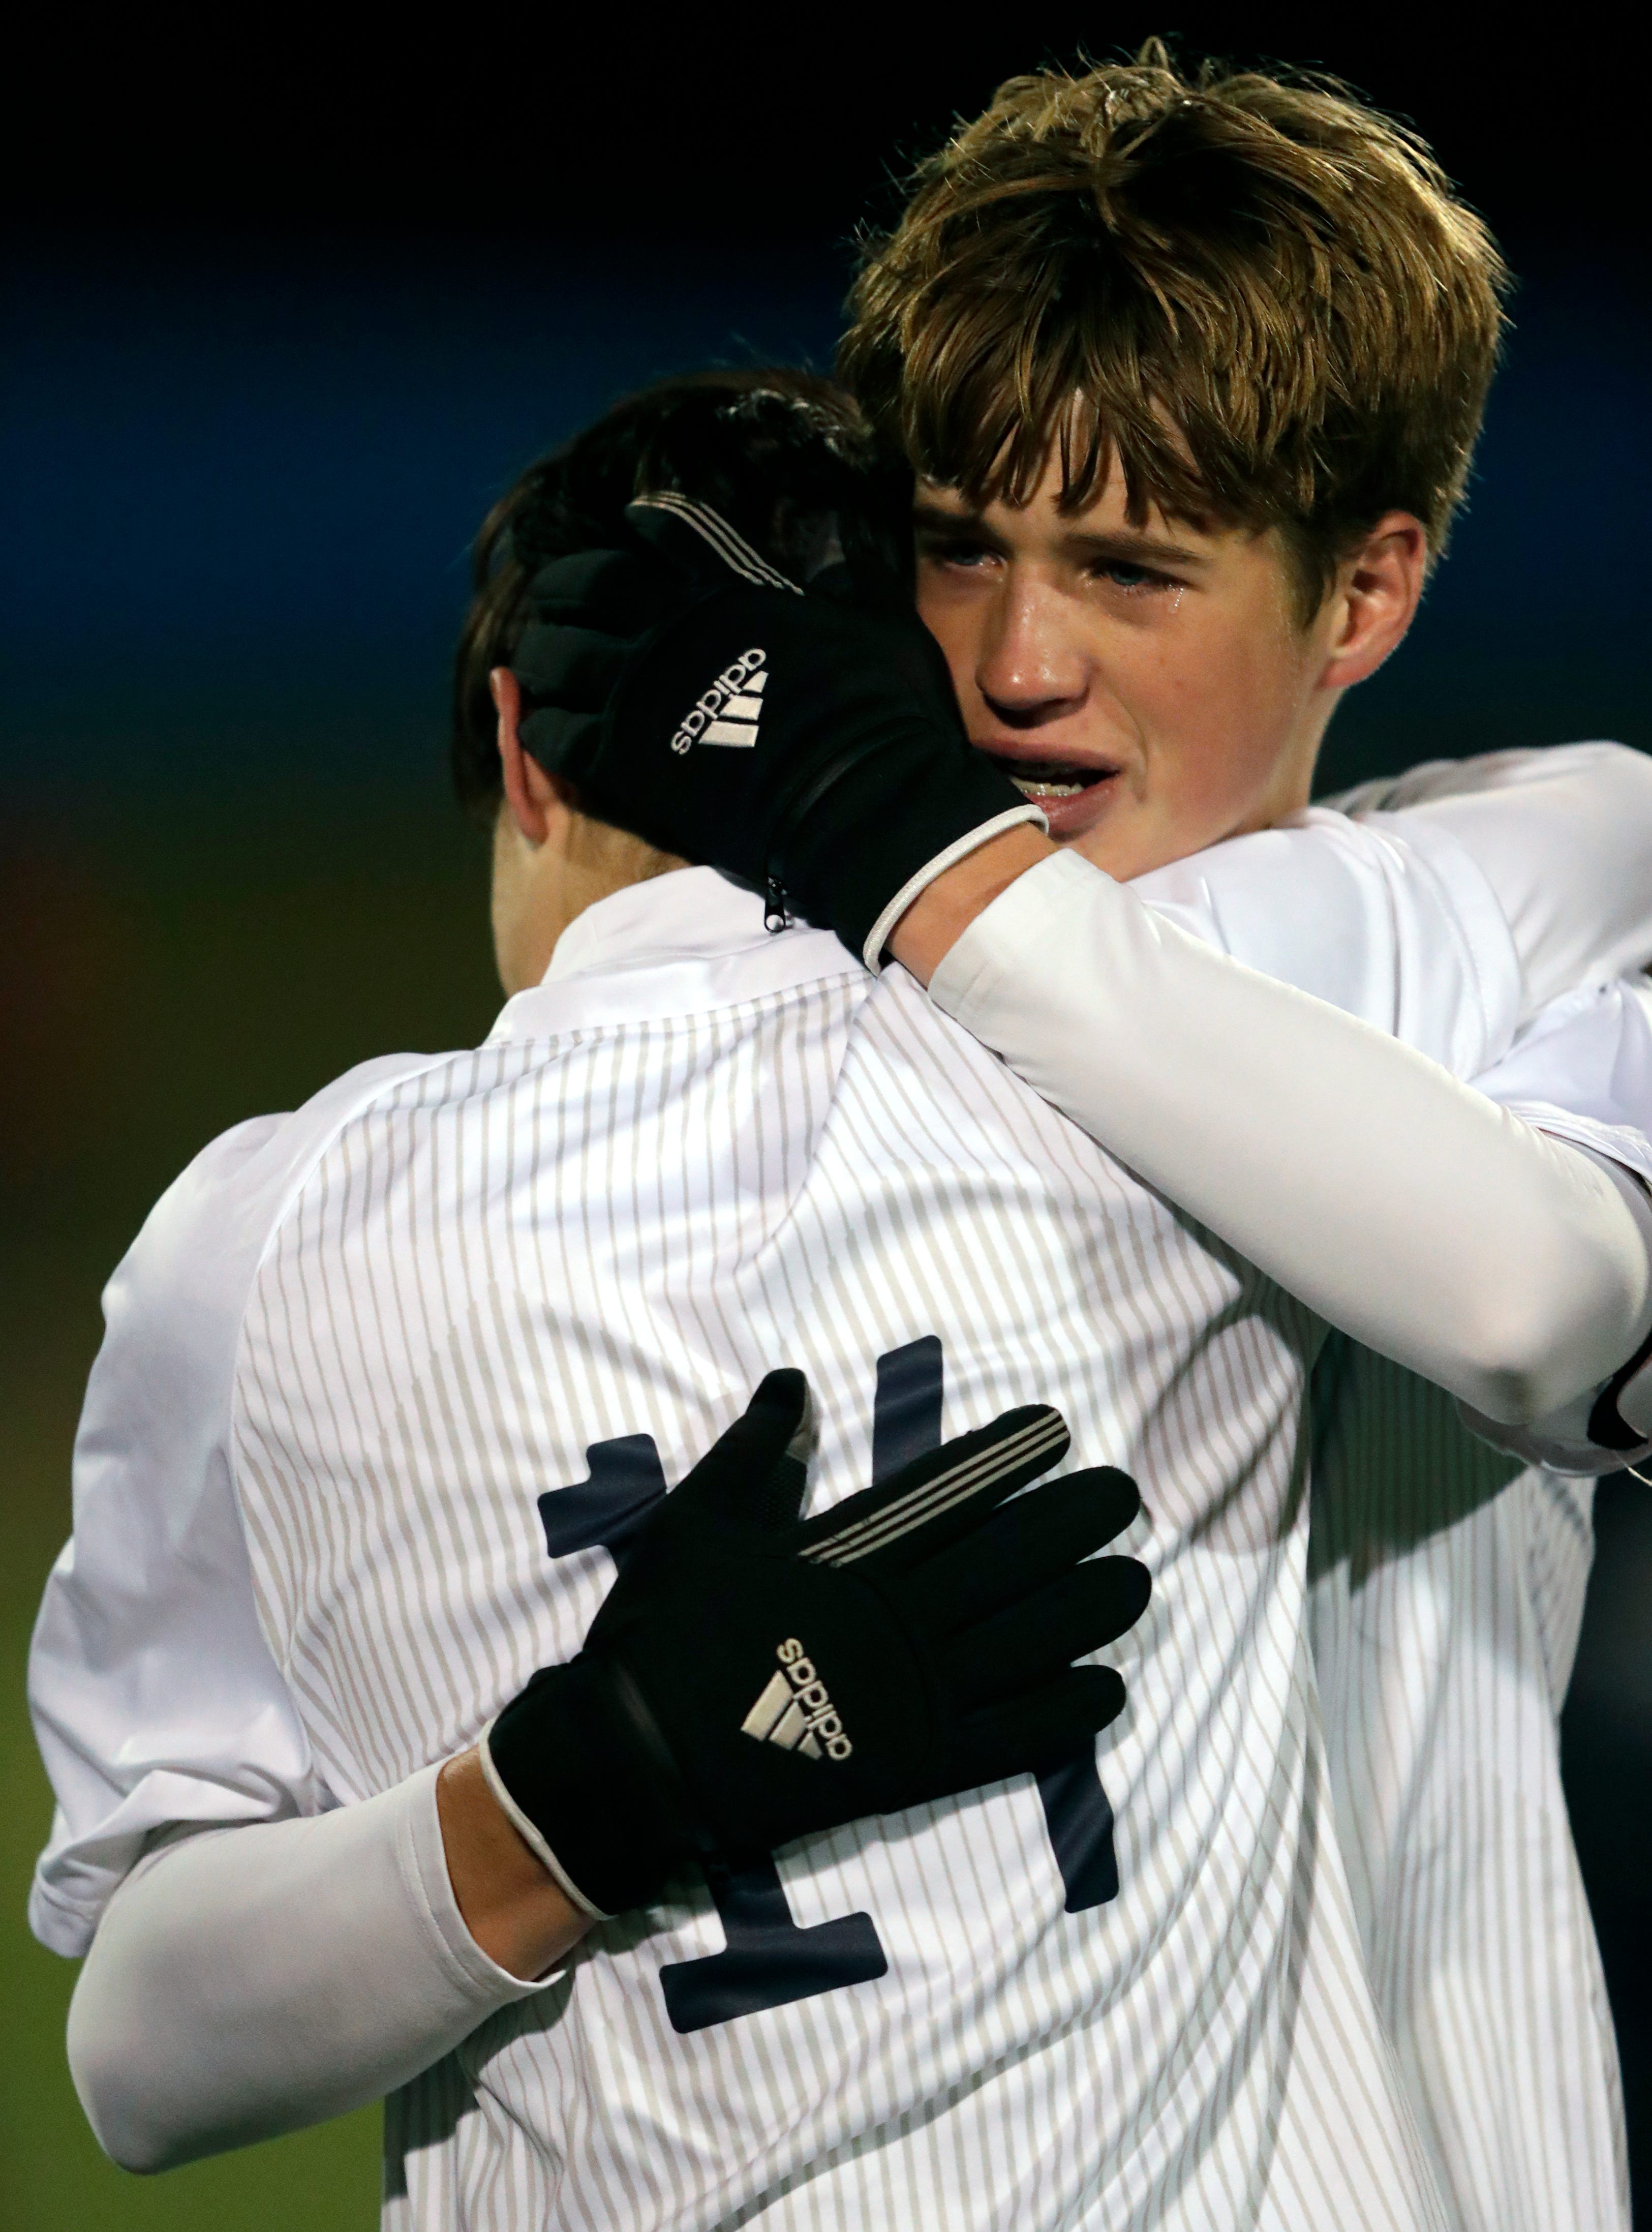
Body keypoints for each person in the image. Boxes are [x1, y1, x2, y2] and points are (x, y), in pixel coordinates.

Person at [32, 367, 1652, 2232]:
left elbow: (137, 2061)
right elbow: (1589, 844)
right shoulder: (1233, 986)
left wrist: (574, 1795)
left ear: (521, 739)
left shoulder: (256, 1238)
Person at [506, 48, 1652, 2232]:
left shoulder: (1532, 922)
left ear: (1367, 593)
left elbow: (1532, 1306)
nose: (1020, 663)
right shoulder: (773, 1037)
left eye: (1132, 570)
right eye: (957, 551)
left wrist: (901, 848)